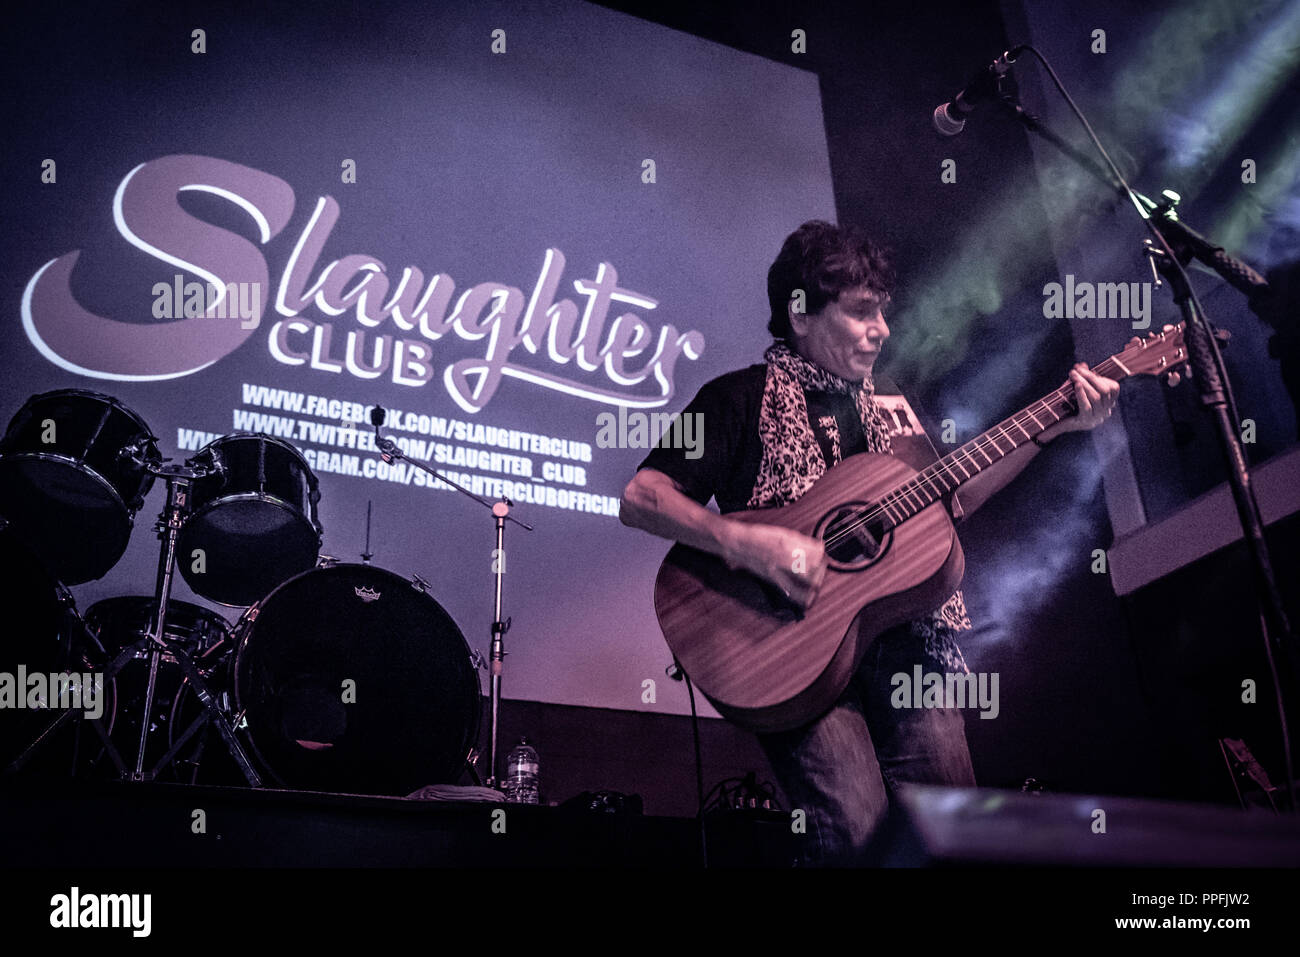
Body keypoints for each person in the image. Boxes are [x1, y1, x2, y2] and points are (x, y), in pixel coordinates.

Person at [619, 220, 1120, 865]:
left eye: (881, 312)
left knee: (948, 839)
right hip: (793, 654)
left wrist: (1053, 428)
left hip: (912, 645)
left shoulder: (891, 412)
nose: (881, 329)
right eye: (861, 313)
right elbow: (642, 496)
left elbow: (952, 501)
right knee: (855, 839)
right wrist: (749, 544)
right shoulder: (735, 400)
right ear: (800, 315)